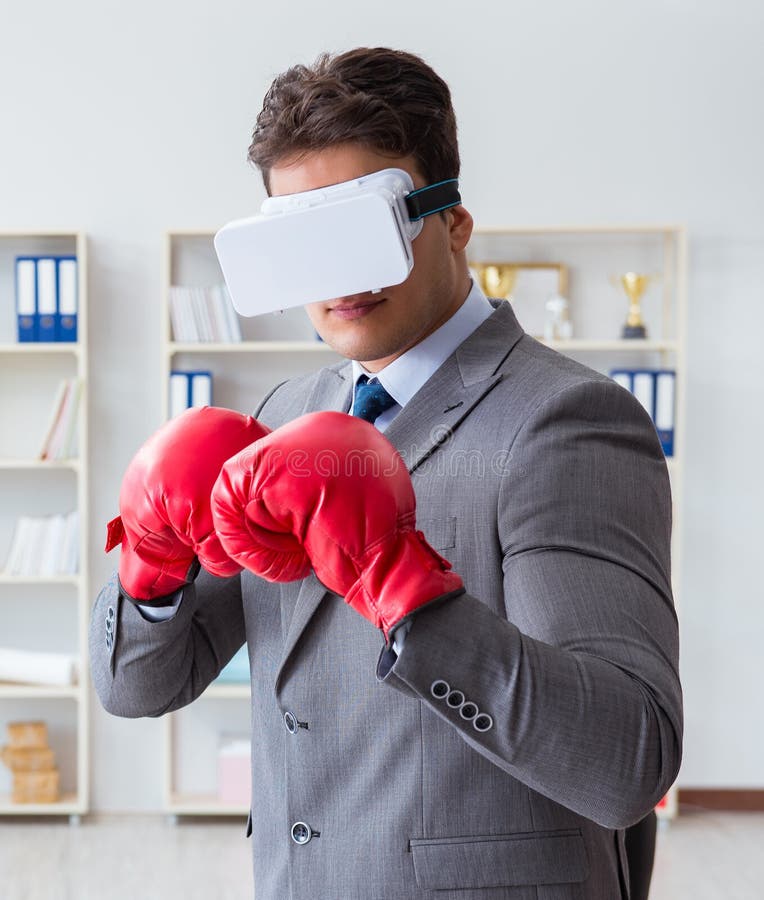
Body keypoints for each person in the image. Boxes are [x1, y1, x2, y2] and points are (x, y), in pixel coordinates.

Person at [91, 47, 682, 899]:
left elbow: (627, 759)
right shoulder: (283, 416)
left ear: (455, 223)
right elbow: (138, 687)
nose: (337, 276)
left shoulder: (566, 421)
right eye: (305, 241)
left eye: (360, 229)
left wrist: (408, 595)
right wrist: (150, 569)